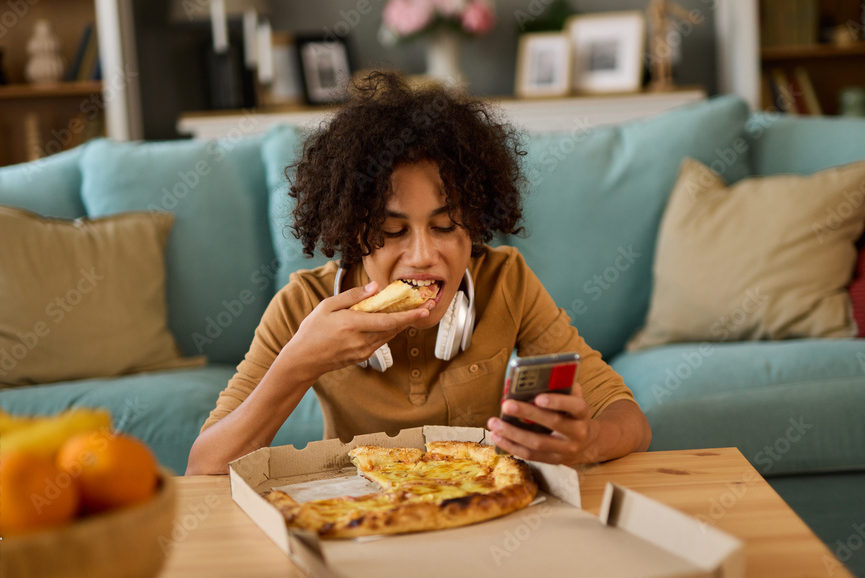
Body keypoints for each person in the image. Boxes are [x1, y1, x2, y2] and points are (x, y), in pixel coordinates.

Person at [186, 71, 650, 475]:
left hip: (479, 503)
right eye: (392, 230)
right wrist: (299, 362)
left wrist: (583, 441)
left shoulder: (506, 281)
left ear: (475, 225)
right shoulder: (304, 306)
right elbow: (204, 466)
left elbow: (629, 419)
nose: (423, 255)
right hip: (361, 519)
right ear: (353, 234)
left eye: (445, 226)